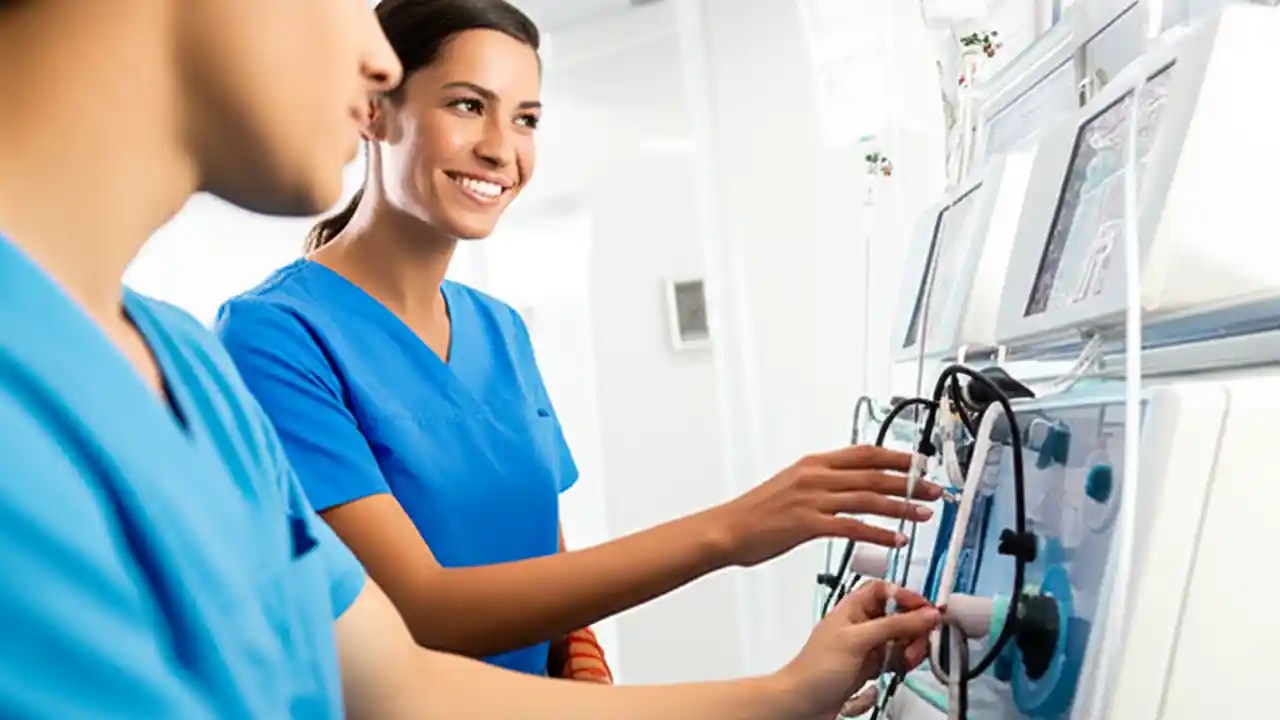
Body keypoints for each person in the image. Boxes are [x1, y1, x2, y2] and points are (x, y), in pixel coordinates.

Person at [0, 0, 942, 717]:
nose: (369, 60)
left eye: (528, 117)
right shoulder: (264, 336)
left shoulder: (184, 368)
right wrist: (732, 531)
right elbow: (425, 623)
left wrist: (783, 691)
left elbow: (401, 678)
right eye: (466, 104)